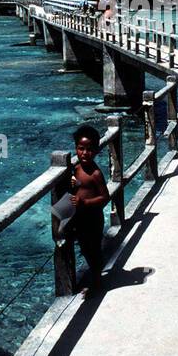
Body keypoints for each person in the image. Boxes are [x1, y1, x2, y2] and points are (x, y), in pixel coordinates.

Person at [70, 124, 109, 294]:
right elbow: (77, 188)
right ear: (76, 149)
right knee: (84, 248)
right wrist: (72, 182)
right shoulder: (75, 169)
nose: (85, 153)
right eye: (81, 149)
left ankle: (97, 282)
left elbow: (105, 197)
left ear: (96, 150)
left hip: (93, 218)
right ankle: (95, 276)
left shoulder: (95, 173)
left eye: (90, 149)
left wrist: (85, 203)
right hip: (79, 218)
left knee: (93, 249)